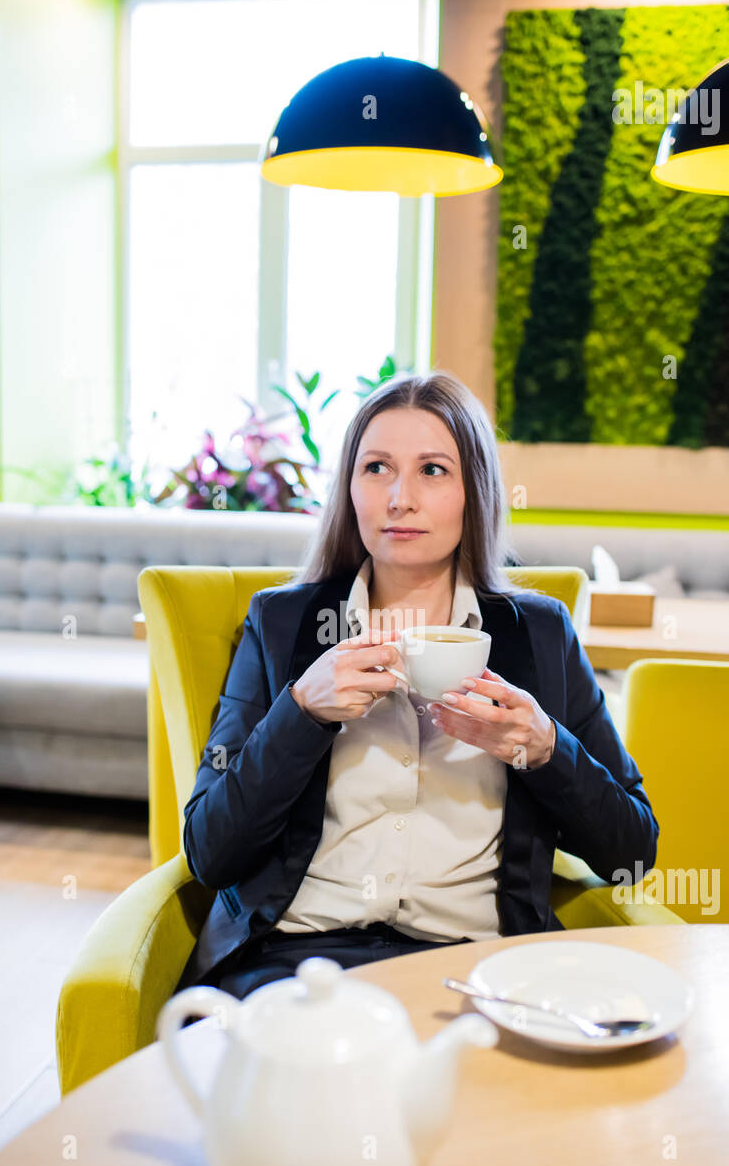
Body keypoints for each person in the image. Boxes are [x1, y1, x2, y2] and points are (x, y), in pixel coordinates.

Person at [174, 370, 658, 1002]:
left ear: (473, 493)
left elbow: (633, 850)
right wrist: (300, 714)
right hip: (301, 960)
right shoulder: (284, 623)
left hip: (476, 968)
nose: (400, 497)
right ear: (350, 489)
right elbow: (210, 852)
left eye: (433, 470)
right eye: (376, 468)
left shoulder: (538, 633)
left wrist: (545, 749)